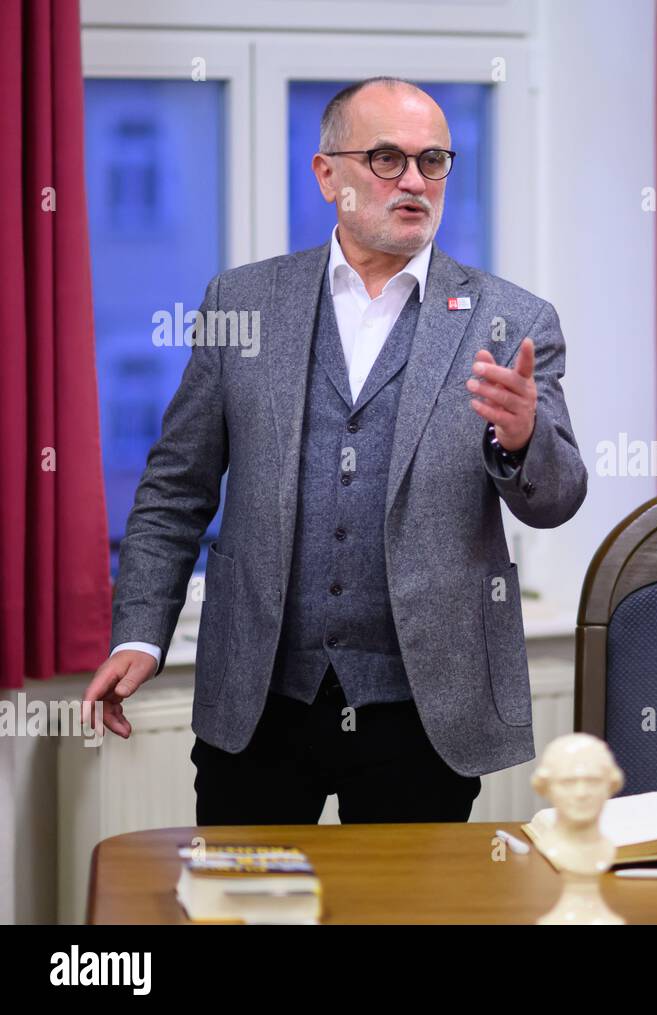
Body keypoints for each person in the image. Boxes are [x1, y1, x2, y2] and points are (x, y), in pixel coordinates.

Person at [80, 77, 587, 825]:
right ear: (327, 174)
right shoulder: (242, 304)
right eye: (387, 159)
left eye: (434, 161)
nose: (415, 180)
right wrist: (139, 632)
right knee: (241, 906)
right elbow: (175, 487)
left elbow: (558, 498)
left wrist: (522, 439)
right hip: (260, 699)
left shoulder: (511, 320)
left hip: (425, 708)